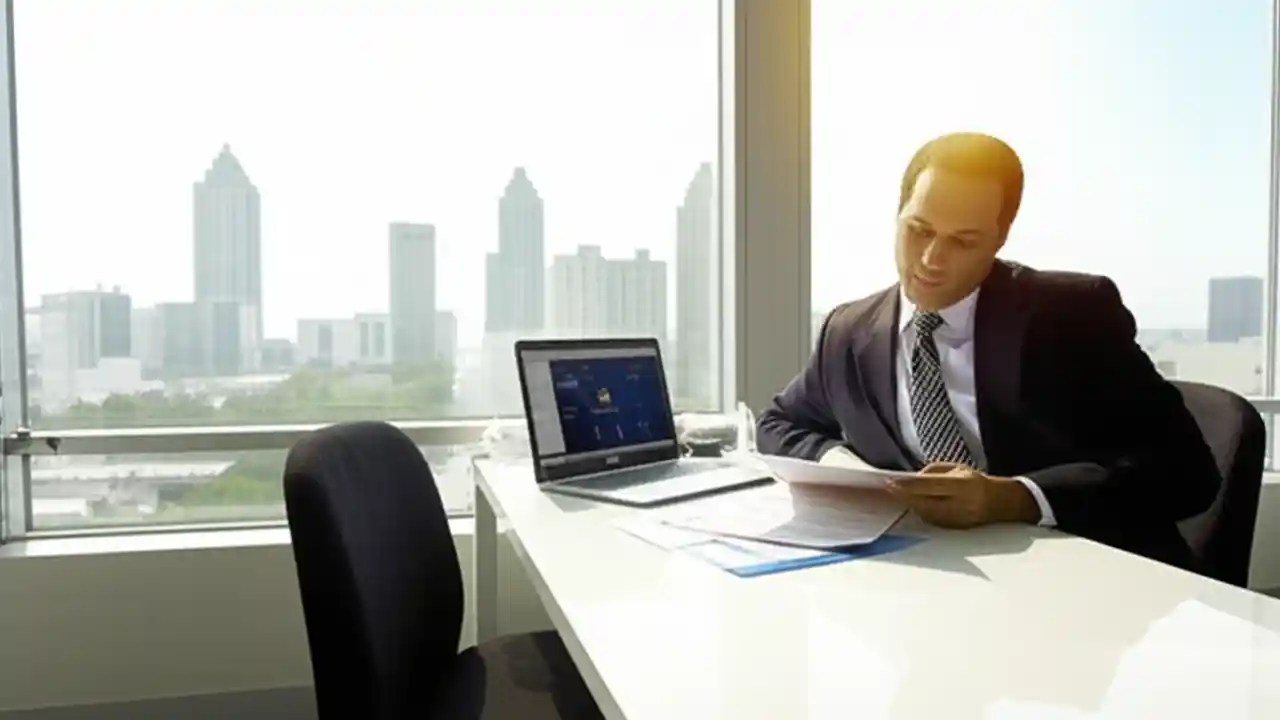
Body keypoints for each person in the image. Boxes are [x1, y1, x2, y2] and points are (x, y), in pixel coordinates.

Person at [756, 131, 1221, 568]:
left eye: (963, 242)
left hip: (1086, 587)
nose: (931, 260)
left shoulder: (1074, 317)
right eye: (918, 230)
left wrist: (1012, 497)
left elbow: (1188, 473)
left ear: (1000, 239)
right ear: (897, 214)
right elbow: (779, 424)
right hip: (931, 578)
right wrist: (849, 471)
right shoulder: (847, 331)